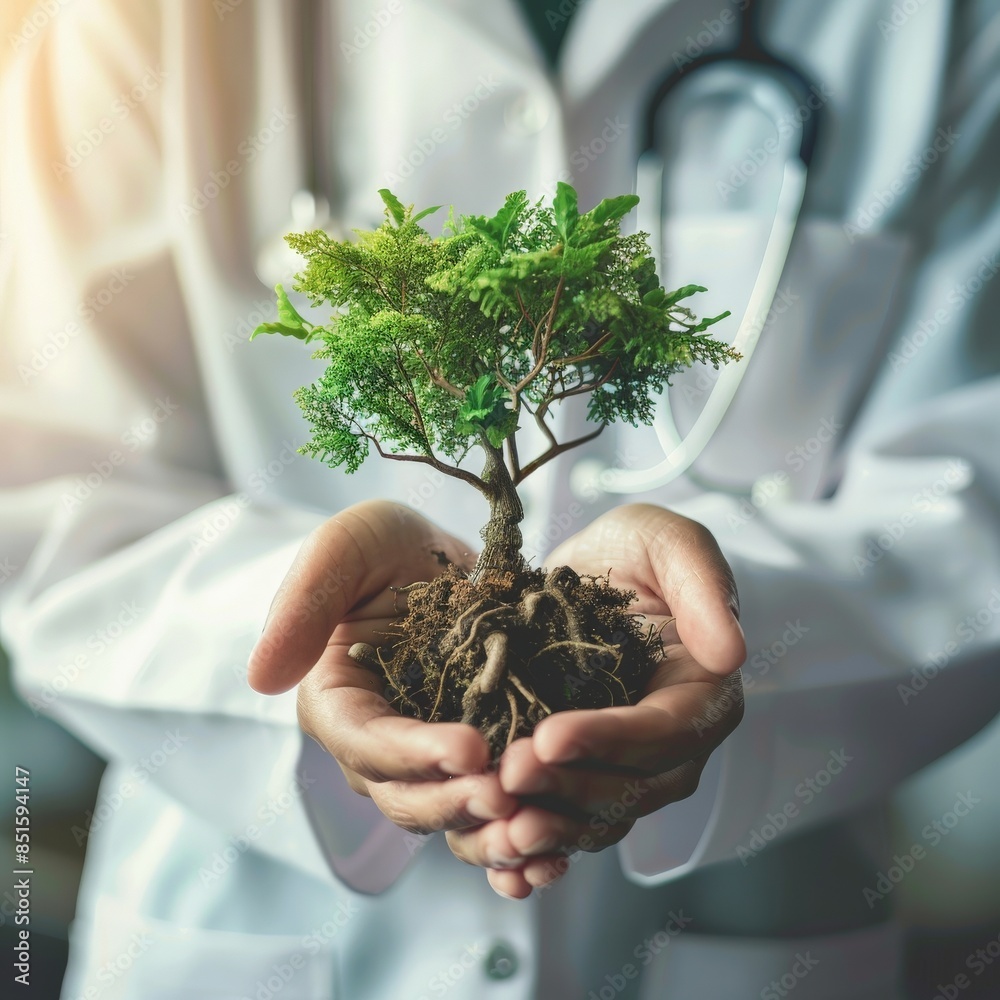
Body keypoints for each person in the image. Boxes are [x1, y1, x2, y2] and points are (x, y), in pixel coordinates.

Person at [1, 0, 998, 997]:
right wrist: (293, 632)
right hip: (251, 927)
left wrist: (739, 619)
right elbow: (48, 488)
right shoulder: (129, 21)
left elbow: (969, 502)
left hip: (744, 917)